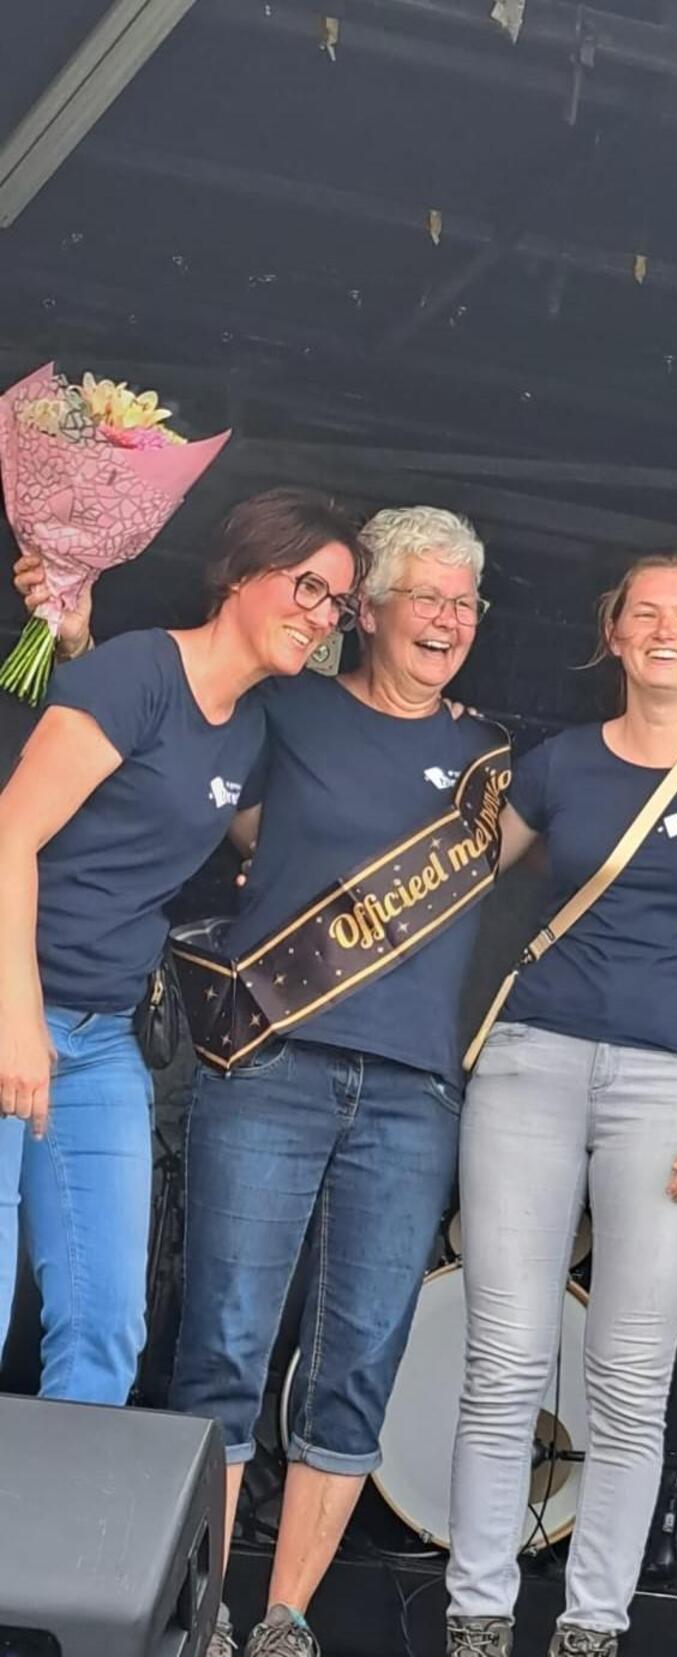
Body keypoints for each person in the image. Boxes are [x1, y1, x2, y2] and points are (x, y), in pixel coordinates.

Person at [444, 552, 677, 1657]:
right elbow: (452, 878)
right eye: (644, 612)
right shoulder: (559, 762)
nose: (664, 629)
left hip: (676, 1083)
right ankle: (477, 1615)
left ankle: (591, 1627)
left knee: (628, 1376)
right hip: (531, 1063)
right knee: (503, 1357)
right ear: (613, 633)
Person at [165, 507, 510, 1657]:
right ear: (366, 609)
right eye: (427, 597)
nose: (449, 620)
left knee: (359, 1359)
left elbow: (610, 810)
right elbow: (183, 761)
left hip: (413, 1096)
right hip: (271, 1064)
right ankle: (200, 1613)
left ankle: (283, 1619)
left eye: (465, 602)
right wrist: (69, 638)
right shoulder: (287, 709)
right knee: (227, 1340)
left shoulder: (490, 762)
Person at [0, 489, 363, 1405]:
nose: (323, 615)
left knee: (106, 1326)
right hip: (15, 1005)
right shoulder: (141, 671)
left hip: (103, 1039)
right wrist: (16, 1019)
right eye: (309, 586)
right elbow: (9, 834)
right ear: (240, 573)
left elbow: (272, 848)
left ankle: (62, 1508)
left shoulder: (247, 726)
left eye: (338, 602)